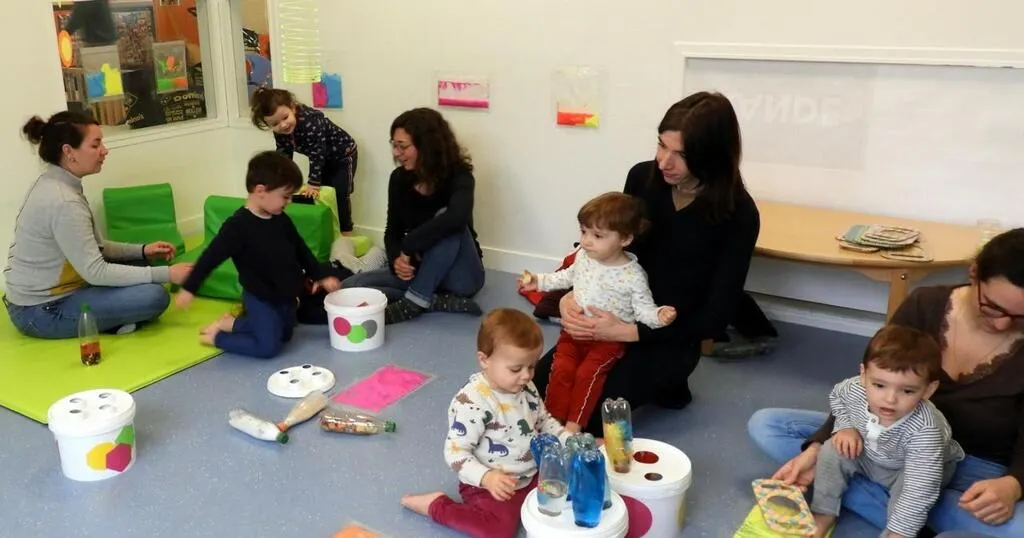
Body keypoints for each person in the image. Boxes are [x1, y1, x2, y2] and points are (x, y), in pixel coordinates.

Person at [748, 228, 1024, 536]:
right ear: (974, 274)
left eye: (1021, 316)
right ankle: (910, 512)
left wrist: (1013, 484)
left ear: (929, 389)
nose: (1002, 324)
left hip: (974, 463)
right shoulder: (925, 304)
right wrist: (822, 445)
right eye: (993, 307)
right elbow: (860, 387)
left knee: (1016, 526)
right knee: (769, 426)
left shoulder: (929, 429)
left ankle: (897, 508)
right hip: (881, 438)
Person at [532, 91, 761, 434]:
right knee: (539, 387)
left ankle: (670, 378)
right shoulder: (641, 178)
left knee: (591, 416)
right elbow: (607, 250)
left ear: (711, 156)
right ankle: (664, 385)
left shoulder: (739, 214)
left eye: (681, 155)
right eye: (661, 145)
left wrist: (628, 331)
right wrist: (570, 297)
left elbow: (716, 317)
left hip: (668, 333)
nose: (664, 162)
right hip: (613, 313)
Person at [3, 112, 191, 339]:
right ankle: (110, 320)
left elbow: (92, 247)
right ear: (69, 152)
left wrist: (142, 249)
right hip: (42, 311)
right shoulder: (63, 201)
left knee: (144, 262)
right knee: (154, 297)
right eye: (95, 144)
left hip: (68, 286)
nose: (105, 150)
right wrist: (169, 274)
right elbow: (96, 272)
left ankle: (111, 315)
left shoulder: (57, 182)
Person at [399, 308, 569, 538]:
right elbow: (455, 453)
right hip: (486, 486)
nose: (527, 376)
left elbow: (544, 421)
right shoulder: (473, 402)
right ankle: (436, 506)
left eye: (531, 366)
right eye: (516, 369)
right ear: (484, 360)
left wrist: (569, 440)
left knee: (569, 491)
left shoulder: (525, 386)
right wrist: (486, 477)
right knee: (498, 530)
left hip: (529, 474)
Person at [519, 191, 676, 433]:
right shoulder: (583, 257)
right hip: (573, 334)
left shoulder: (633, 276)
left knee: (586, 376)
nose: (586, 241)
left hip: (606, 342)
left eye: (597, 235)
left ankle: (574, 427)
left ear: (624, 239)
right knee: (560, 370)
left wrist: (660, 315)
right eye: (583, 232)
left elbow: (644, 311)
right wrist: (538, 282)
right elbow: (564, 277)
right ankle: (553, 421)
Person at [175, 151, 340, 359]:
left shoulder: (281, 219)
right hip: (260, 297)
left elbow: (301, 249)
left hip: (287, 296)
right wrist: (189, 288)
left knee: (285, 335)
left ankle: (232, 323)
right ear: (261, 190)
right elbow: (210, 257)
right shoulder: (237, 227)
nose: (288, 202)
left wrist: (321, 276)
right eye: (285, 196)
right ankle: (217, 336)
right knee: (267, 347)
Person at [808, 325, 964, 538]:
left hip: (910, 469)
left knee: (912, 497)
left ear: (928, 390)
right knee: (830, 450)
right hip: (870, 455)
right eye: (879, 385)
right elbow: (838, 397)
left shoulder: (926, 430)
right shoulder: (853, 388)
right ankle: (824, 513)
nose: (890, 400)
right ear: (863, 375)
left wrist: (898, 533)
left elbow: (917, 491)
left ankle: (897, 526)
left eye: (907, 391)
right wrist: (845, 427)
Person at [341, 108, 485, 325]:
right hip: (421, 269)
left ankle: (414, 303)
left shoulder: (460, 177)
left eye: (403, 146)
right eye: (394, 144)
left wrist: (408, 246)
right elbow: (393, 230)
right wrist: (396, 260)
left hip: (461, 276)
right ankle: (432, 299)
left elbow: (456, 219)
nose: (396, 152)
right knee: (349, 286)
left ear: (427, 147)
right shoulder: (399, 179)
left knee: (447, 219)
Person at [250, 88, 358, 233]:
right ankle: (329, 230)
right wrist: (280, 180)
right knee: (325, 195)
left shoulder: (310, 121)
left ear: (293, 107)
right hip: (324, 158)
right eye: (275, 124)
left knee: (340, 193)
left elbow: (317, 153)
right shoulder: (281, 131)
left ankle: (346, 232)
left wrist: (313, 183)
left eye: (285, 117)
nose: (283, 125)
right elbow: (284, 154)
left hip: (343, 155)